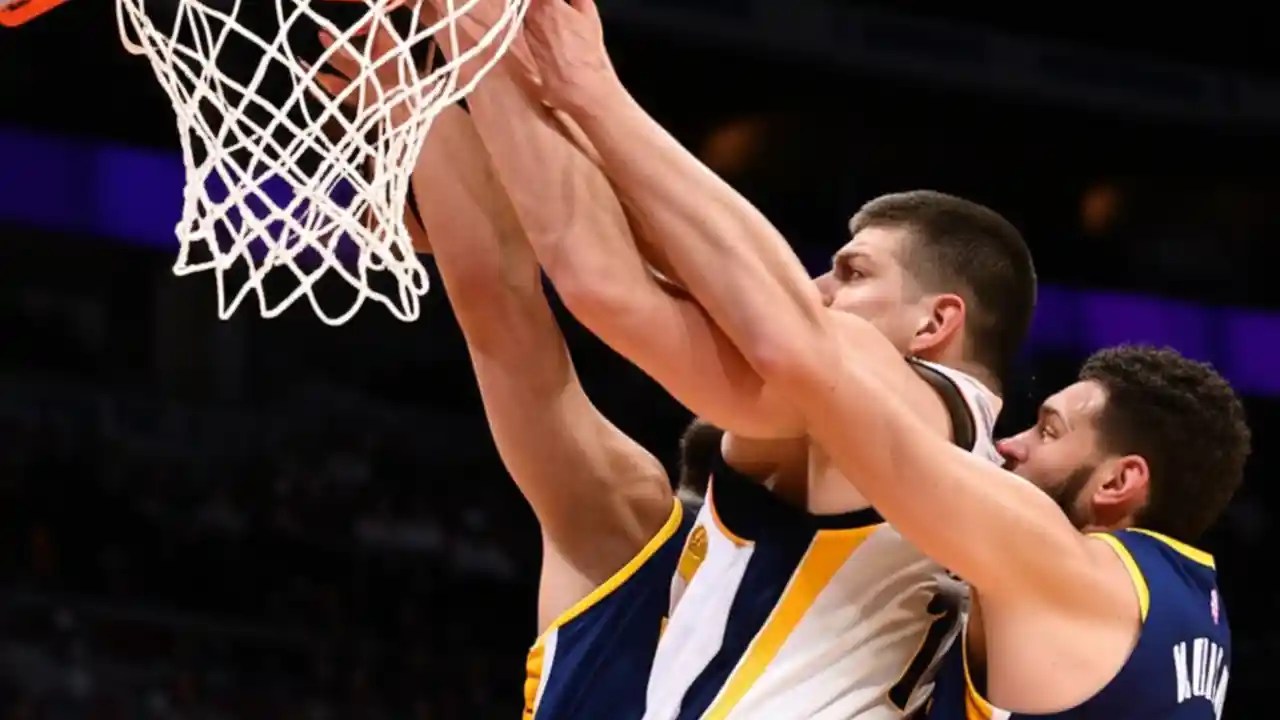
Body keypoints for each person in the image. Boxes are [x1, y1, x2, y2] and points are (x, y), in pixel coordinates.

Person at [512, 6, 1251, 718]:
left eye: (1051, 431)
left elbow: (777, 336)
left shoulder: (1061, 563)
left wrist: (589, 95)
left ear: (1123, 480)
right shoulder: (1189, 618)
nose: (1014, 443)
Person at [431, 2, 1036, 716]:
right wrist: (465, 84)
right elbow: (671, 268)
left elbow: (608, 286)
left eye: (853, 273)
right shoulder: (965, 475)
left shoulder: (889, 401)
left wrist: (496, 49)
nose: (819, 290)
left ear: (936, 322)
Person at [315, 30, 692, 720]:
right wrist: (417, 102)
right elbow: (501, 313)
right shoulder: (637, 538)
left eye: (849, 278)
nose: (819, 294)